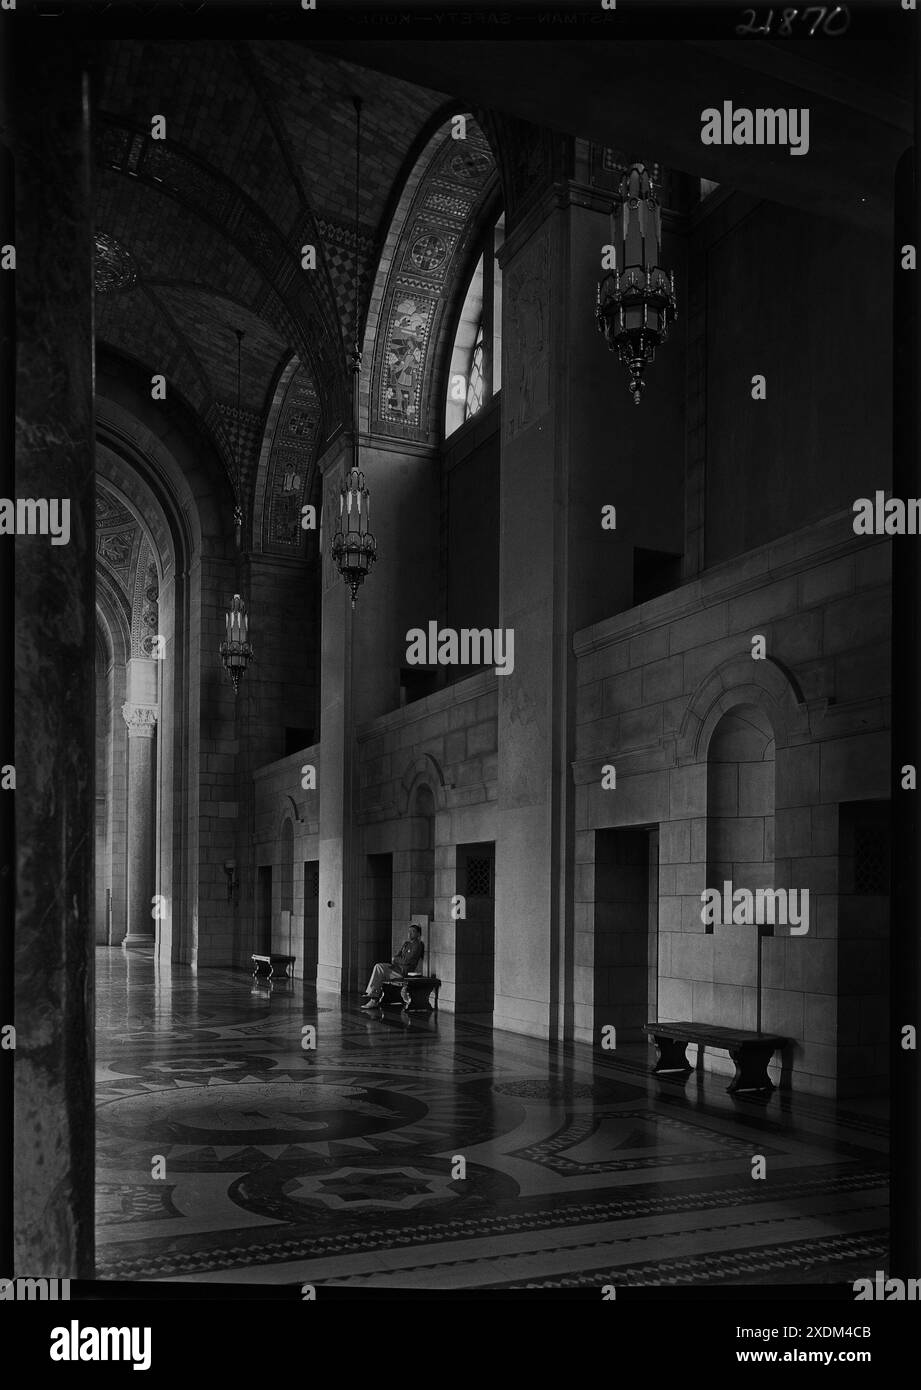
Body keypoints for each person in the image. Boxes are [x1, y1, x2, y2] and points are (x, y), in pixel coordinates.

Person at [361, 924, 424, 1007]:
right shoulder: (406, 944)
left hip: (404, 971)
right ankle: (373, 997)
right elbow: (397, 956)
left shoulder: (418, 945)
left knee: (379, 968)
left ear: (418, 934)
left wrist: (396, 959)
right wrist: (397, 959)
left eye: (413, 931)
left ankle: (373, 998)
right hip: (396, 968)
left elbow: (406, 960)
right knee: (378, 966)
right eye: (409, 931)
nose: (410, 933)